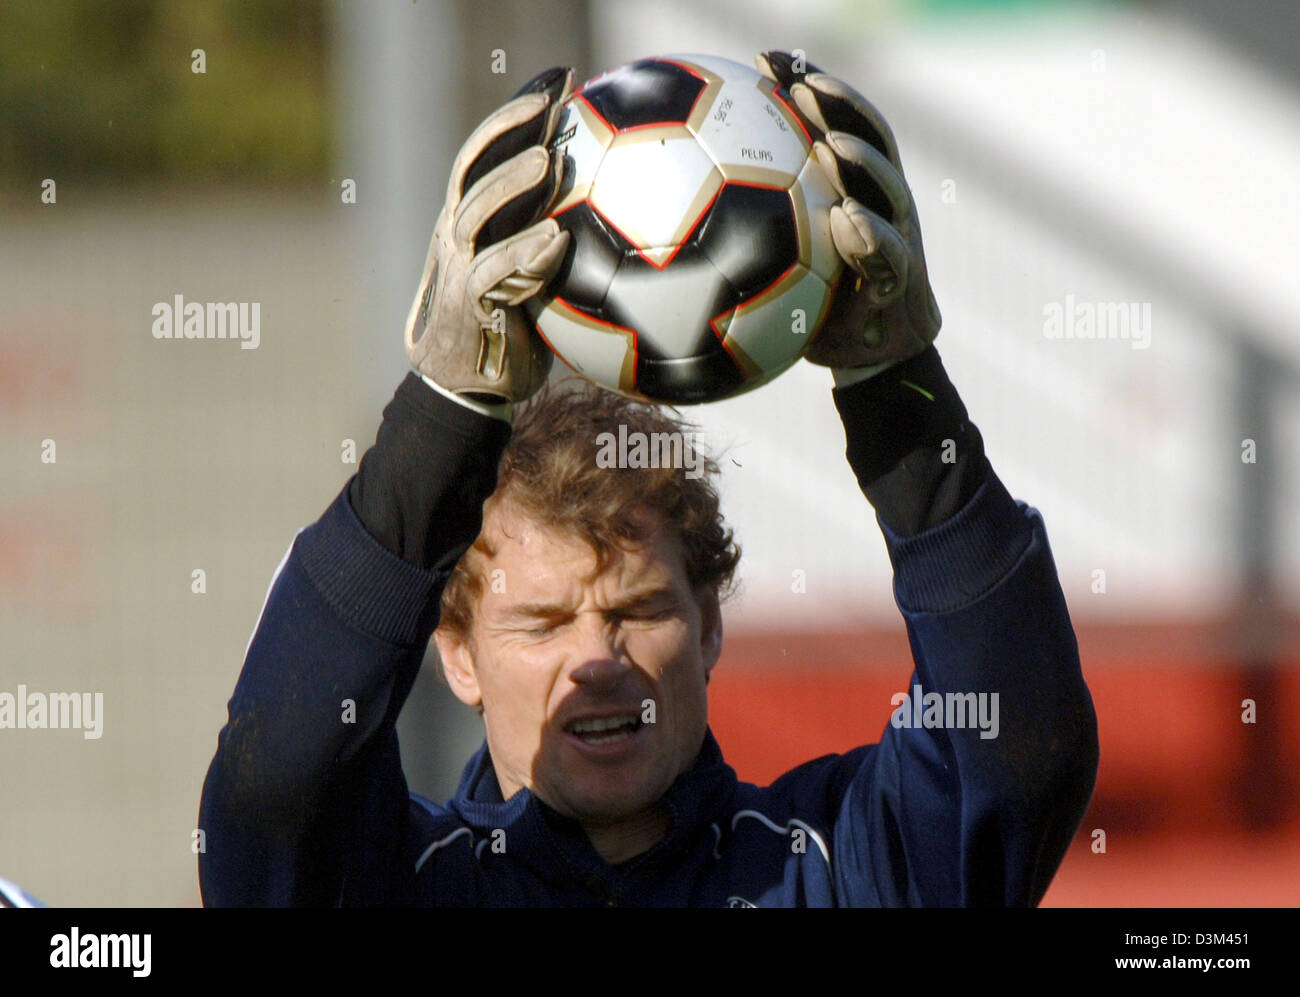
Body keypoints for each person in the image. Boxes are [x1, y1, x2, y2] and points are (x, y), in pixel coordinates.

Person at [198, 52, 1098, 907]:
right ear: (458, 655)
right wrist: (446, 409)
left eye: (639, 610)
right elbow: (279, 771)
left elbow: (1019, 751)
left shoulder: (836, 864)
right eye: (541, 621)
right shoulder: (398, 885)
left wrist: (896, 387)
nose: (597, 659)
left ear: (708, 624)